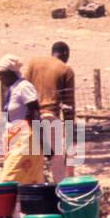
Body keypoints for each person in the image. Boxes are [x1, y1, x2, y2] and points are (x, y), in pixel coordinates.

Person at [24, 41, 75, 181]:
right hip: (50, 117)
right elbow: (69, 104)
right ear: (65, 54)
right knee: (56, 160)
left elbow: (24, 87)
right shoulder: (66, 70)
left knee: (35, 160)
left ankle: (35, 192)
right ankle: (61, 194)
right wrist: (71, 133)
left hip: (31, 118)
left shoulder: (34, 63)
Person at [0, 54, 44, 184]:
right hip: (14, 142)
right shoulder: (13, 89)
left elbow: (35, 112)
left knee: (8, 181)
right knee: (22, 183)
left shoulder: (24, 87)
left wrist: (42, 141)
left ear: (12, 73)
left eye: (2, 75)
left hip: (25, 143)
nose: (0, 79)